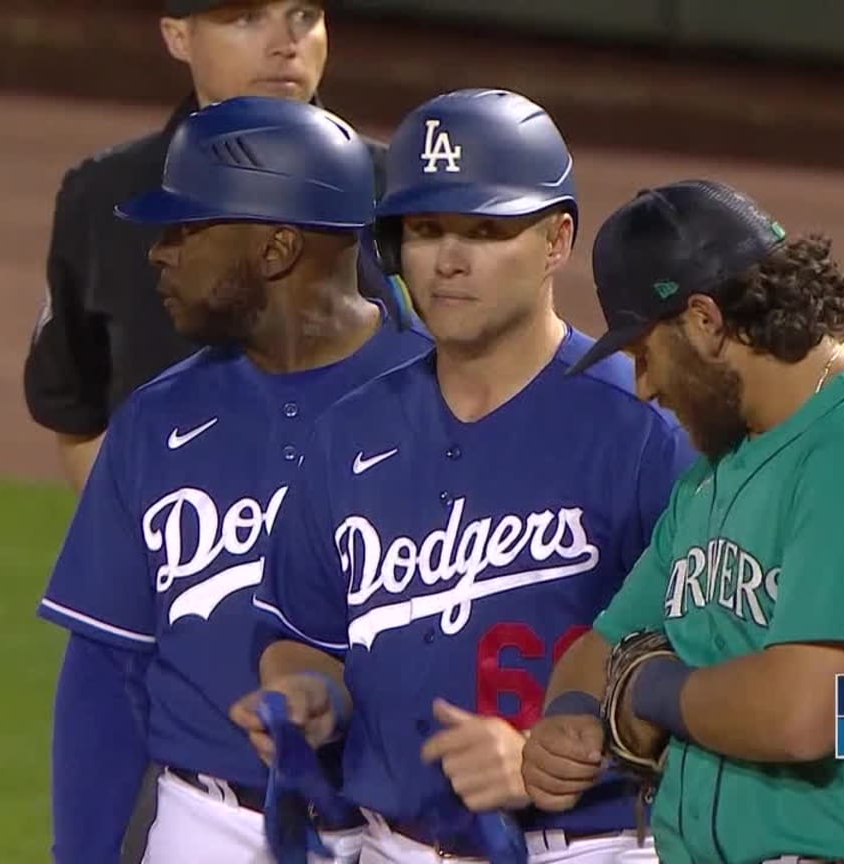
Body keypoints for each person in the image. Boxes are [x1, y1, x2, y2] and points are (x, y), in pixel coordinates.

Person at [229, 89, 697, 863]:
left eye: (485, 230)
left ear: (557, 240)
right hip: (388, 843)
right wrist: (310, 695)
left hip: (591, 844)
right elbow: (301, 636)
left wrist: (553, 754)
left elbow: (708, 660)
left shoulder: (645, 431)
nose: (448, 259)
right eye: (426, 229)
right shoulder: (349, 432)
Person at [521, 179, 844, 864]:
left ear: (706, 321)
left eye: (646, 353)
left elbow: (802, 714)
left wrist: (650, 691)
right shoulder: (720, 469)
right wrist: (569, 720)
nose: (645, 386)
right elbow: (599, 650)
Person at [36, 96, 431, 864]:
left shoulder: (439, 410)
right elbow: (105, 669)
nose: (159, 252)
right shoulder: (158, 420)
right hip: (201, 825)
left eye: (188, 229)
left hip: (400, 831)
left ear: (277, 248)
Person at [24, 0, 400, 494]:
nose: (285, 42)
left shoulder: (398, 192)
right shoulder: (104, 197)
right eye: (246, 19)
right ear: (178, 36)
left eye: (304, 16)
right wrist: (134, 549)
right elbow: (75, 410)